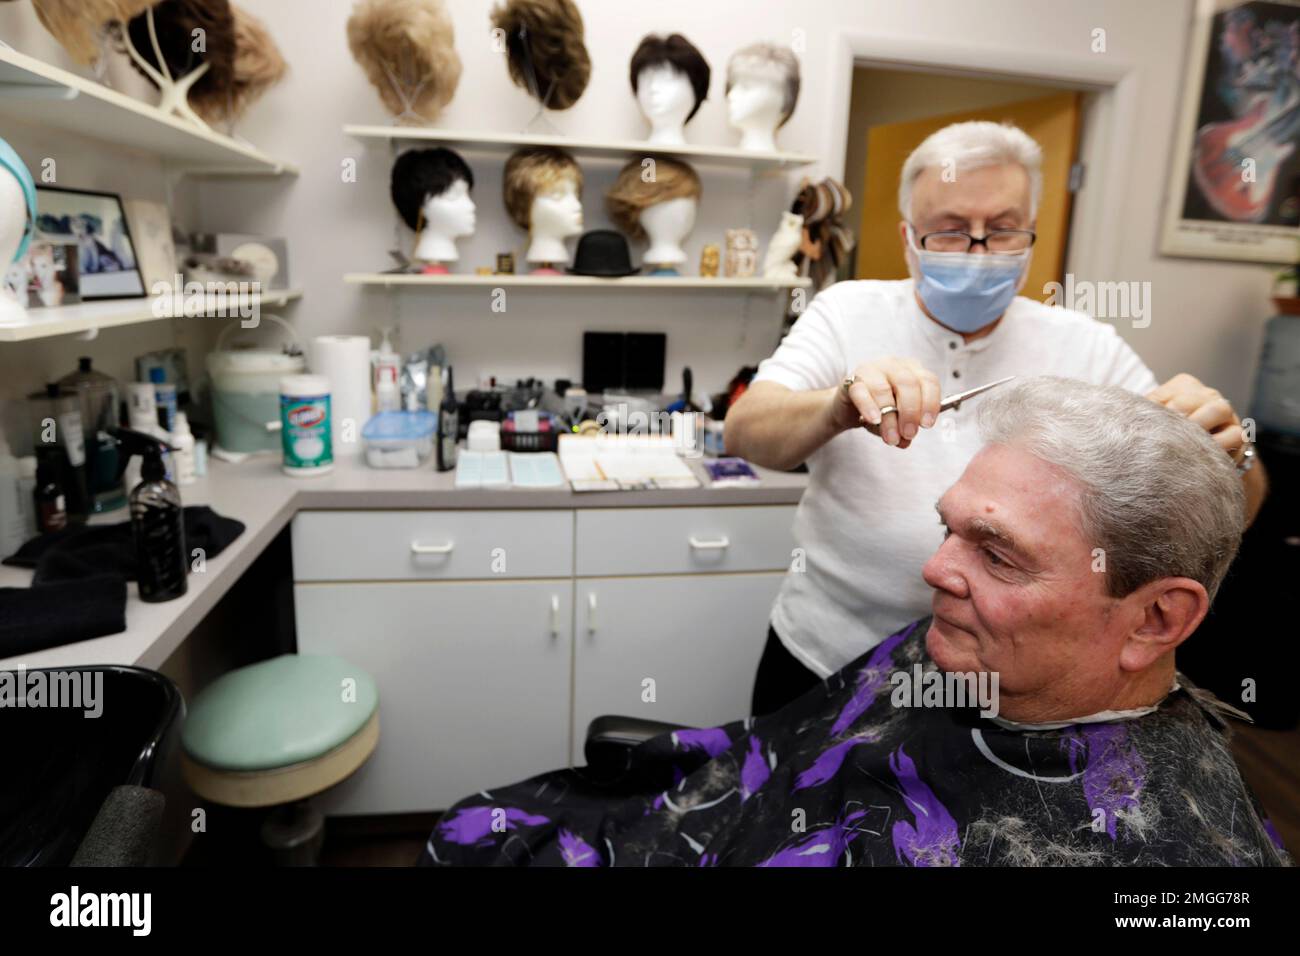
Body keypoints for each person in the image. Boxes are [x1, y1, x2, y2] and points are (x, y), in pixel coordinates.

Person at [418, 378, 1289, 867]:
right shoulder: (959, 652)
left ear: (1157, 616)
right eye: (950, 528)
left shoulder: (1178, 868)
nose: (936, 569)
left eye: (998, 554)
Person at [725, 121, 1269, 716]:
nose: (979, 251)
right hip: (826, 654)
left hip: (1005, 683)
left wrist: (1230, 451)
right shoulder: (844, 311)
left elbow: (1231, 512)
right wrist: (836, 404)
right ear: (909, 237)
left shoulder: (1086, 345)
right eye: (952, 231)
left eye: (1003, 230)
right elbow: (748, 430)